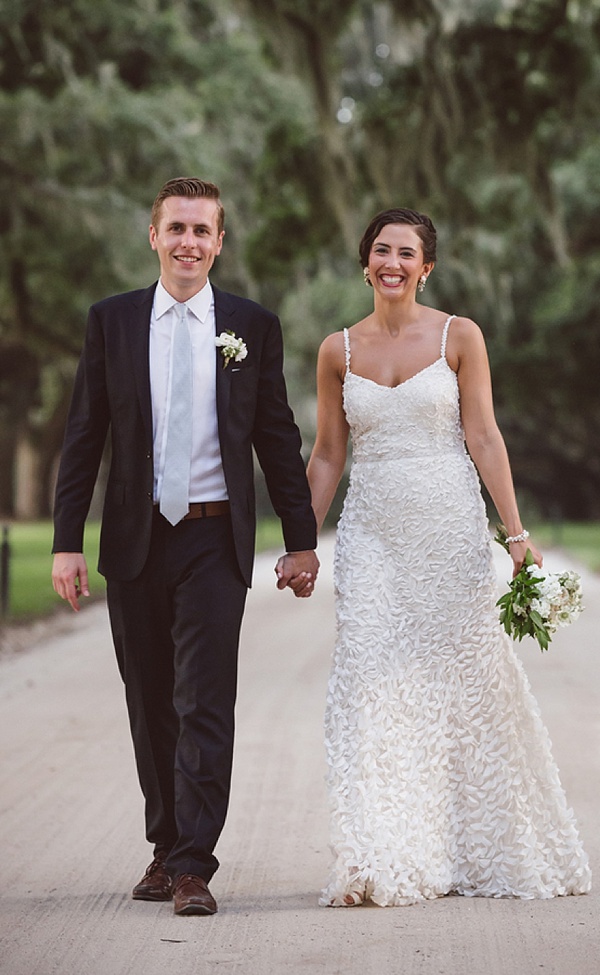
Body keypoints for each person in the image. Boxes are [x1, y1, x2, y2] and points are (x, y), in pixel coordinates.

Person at [307, 207, 591, 907]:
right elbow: (329, 454)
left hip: (448, 530)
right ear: (366, 262)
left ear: (426, 267)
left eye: (406, 253)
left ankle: (469, 847)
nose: (392, 263)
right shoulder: (337, 350)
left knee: (462, 686)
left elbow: (484, 435)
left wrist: (516, 533)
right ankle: (379, 852)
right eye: (381, 250)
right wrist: (301, 541)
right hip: (372, 536)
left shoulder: (459, 335)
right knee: (367, 681)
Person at [51, 177, 319, 916]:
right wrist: (66, 542)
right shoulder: (111, 321)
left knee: (203, 697)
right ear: (154, 236)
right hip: (135, 538)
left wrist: (301, 539)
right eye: (176, 228)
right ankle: (165, 845)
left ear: (220, 242)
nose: (188, 243)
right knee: (149, 701)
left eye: (202, 230)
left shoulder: (251, 326)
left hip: (213, 536)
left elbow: (277, 437)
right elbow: (84, 435)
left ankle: (195, 864)